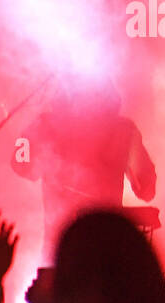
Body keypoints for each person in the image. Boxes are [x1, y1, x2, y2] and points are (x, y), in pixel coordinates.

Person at [11, 79, 156, 254]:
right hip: (105, 243)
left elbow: (20, 164)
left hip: (59, 247)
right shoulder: (125, 130)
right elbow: (147, 189)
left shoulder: (46, 124)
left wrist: (29, 138)